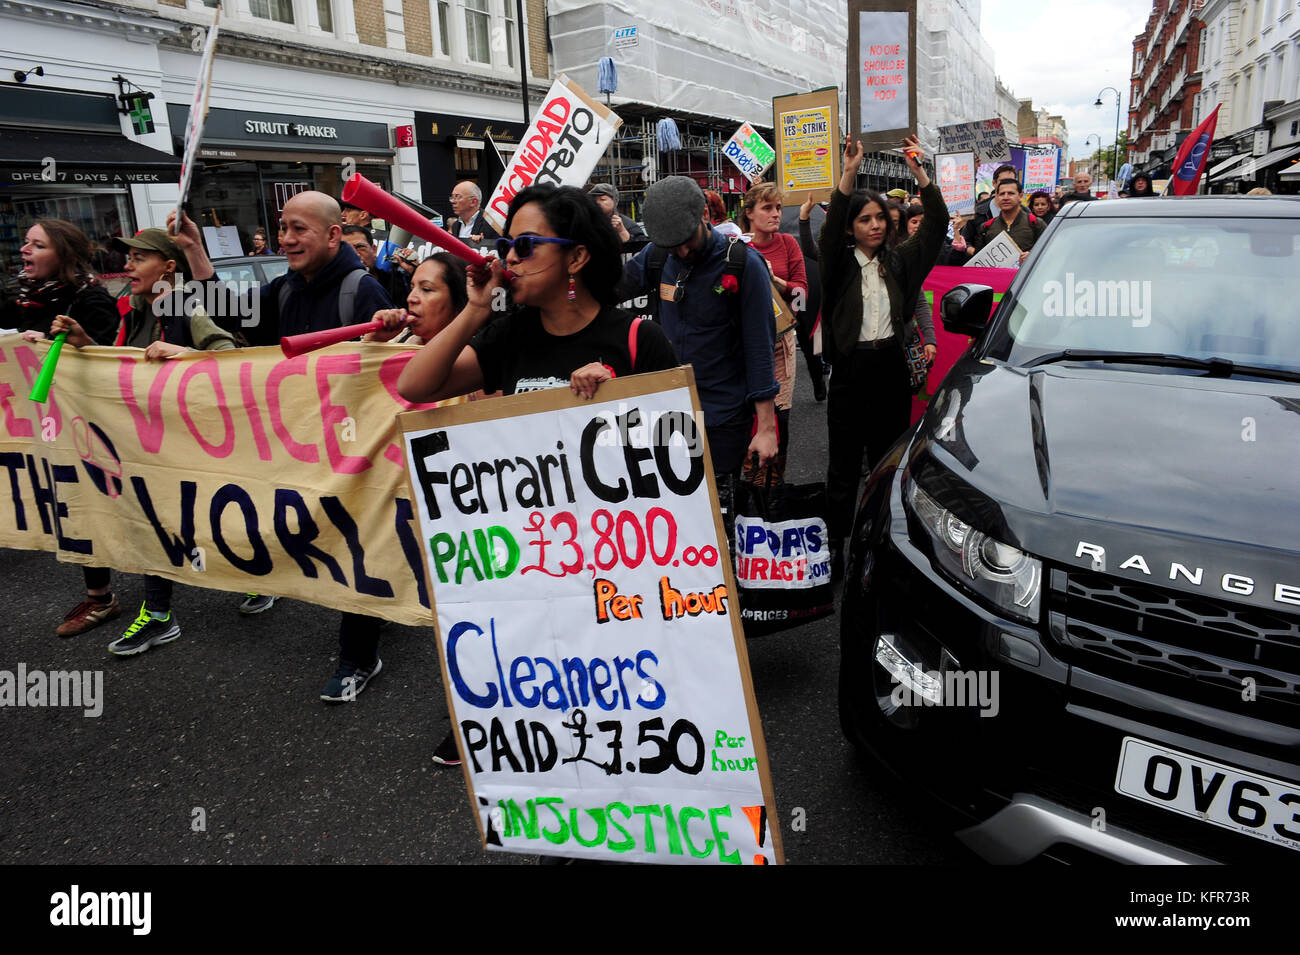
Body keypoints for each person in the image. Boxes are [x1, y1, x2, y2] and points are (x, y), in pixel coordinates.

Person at [171, 192, 395, 701]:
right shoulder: (286, 291)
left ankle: (358, 659)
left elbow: (397, 373)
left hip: (360, 447)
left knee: (356, 542)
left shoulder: (363, 292)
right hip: (305, 444)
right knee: (347, 542)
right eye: (282, 228)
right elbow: (234, 320)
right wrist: (196, 254)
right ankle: (385, 603)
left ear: (334, 234)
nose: (286, 239)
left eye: (299, 229)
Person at [39, 226, 238, 654]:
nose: (128, 265)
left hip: (195, 443)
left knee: (211, 519)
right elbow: (119, 367)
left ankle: (262, 578)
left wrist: (186, 354)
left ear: (168, 266)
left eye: (139, 258)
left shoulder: (187, 304)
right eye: (127, 258)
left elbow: (230, 356)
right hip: (150, 444)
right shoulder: (131, 309)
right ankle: (159, 615)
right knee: (158, 523)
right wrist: (85, 343)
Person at [820, 134, 946, 580]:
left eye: (880, 219)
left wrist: (920, 172)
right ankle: (835, 546)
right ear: (853, 226)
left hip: (890, 372)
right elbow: (830, 228)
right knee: (842, 466)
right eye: (865, 219)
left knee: (887, 464)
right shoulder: (837, 265)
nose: (875, 225)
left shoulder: (901, 263)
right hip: (850, 375)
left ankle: (880, 543)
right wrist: (850, 171)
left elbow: (936, 226)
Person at [619, 176, 779, 477]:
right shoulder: (656, 256)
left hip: (723, 419)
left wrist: (767, 429)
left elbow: (760, 348)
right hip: (668, 415)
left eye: (685, 241)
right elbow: (609, 290)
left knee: (719, 512)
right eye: (671, 246)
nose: (679, 253)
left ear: (705, 214)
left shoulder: (745, 265)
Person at [8, 220, 122, 636]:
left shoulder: (90, 299)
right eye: (25, 242)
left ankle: (115, 597)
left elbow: (113, 363)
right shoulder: (21, 297)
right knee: (68, 501)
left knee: (100, 501)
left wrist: (79, 341)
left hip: (89, 424)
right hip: (39, 421)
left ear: (64, 255)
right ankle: (102, 597)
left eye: (37, 245)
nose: (25, 250)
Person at [738, 182, 807, 485]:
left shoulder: (788, 244)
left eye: (778, 208)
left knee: (780, 419)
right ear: (749, 213)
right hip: (742, 344)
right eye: (767, 208)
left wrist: (774, 279)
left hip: (780, 344)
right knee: (745, 416)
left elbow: (802, 298)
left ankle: (773, 487)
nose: (776, 214)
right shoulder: (737, 246)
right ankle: (750, 485)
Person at [364, 252, 467, 346]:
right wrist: (374, 341)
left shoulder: (469, 360)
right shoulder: (400, 340)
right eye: (412, 288)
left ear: (458, 302)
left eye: (426, 289)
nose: (410, 299)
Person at [973, 177, 1045, 264]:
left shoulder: (1036, 223)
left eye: (1011, 193)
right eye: (1002, 194)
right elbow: (979, 260)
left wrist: (1032, 256)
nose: (1005, 197)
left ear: (1020, 196)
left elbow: (1050, 252)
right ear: (997, 197)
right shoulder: (986, 227)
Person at [343, 224, 408, 304]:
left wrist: (412, 273)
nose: (356, 254)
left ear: (374, 250)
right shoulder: (331, 287)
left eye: (360, 247)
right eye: (346, 249)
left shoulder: (396, 281)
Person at [961, 164, 1019, 254]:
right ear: (994, 183)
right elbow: (965, 241)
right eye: (1003, 181)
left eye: (1011, 181)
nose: (1007, 185)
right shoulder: (978, 211)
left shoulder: (1025, 213)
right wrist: (975, 253)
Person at [589, 183, 649, 250]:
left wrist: (622, 231)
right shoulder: (587, 221)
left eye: (602, 199)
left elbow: (641, 247)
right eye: (594, 200)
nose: (597, 202)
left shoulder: (628, 224)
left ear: (616, 202)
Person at [445, 181, 499, 247]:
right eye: (452, 197)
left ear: (473, 202)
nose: (453, 201)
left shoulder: (492, 223)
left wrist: (484, 243)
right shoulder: (455, 225)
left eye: (457, 197)